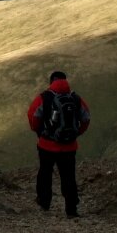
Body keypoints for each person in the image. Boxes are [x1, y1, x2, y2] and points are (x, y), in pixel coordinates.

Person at [27, 70, 90, 218]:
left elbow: (33, 115)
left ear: (51, 82)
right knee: (68, 176)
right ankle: (71, 209)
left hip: (46, 145)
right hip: (69, 146)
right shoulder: (75, 98)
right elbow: (86, 118)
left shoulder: (44, 97)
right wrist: (76, 133)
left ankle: (43, 202)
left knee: (45, 172)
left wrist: (40, 131)